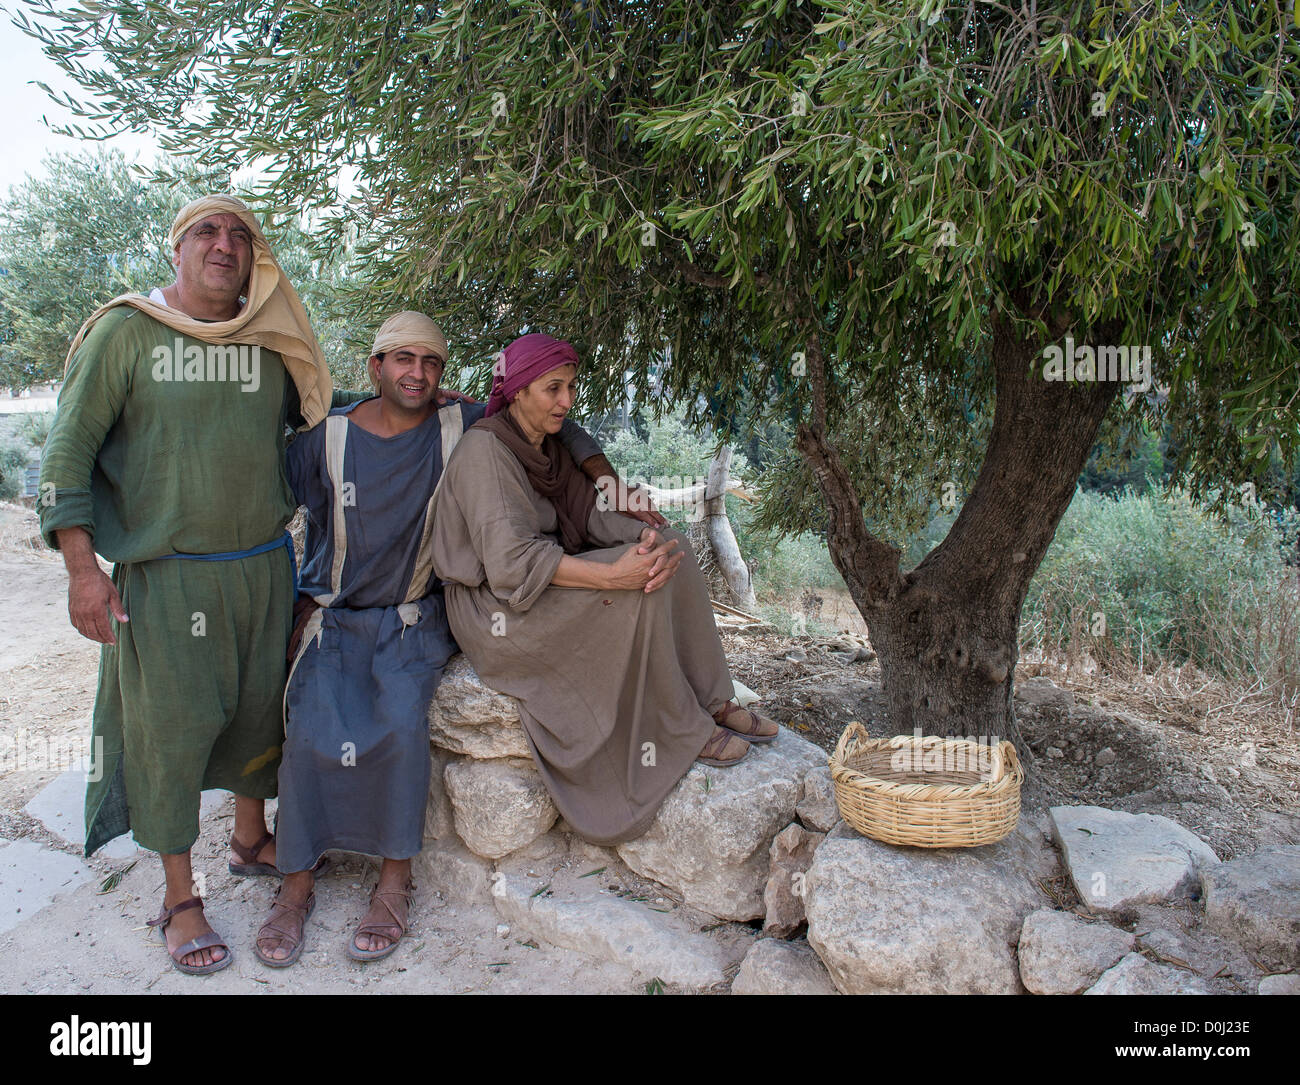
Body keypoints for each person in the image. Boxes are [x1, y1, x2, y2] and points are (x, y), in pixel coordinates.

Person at [256, 311, 655, 965]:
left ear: (442, 375)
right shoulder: (324, 441)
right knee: (307, 730)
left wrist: (609, 482)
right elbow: (267, 499)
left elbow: (557, 422)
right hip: (339, 617)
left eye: (430, 362)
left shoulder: (460, 425)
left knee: (402, 723)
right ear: (375, 367)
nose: (416, 373)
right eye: (402, 359)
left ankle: (393, 884)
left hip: (416, 617)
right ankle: (294, 888)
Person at [39, 195, 348, 976]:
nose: (225, 244)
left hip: (260, 566)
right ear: (175, 250)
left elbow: (313, 425)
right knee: (170, 736)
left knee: (256, 718)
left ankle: (249, 839)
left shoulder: (268, 345)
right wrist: (83, 570)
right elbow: (66, 453)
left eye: (241, 235)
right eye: (207, 231)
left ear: (255, 261)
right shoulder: (127, 332)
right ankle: (180, 898)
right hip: (166, 576)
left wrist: (417, 405)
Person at [430, 334, 780, 848]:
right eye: (553, 388)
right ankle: (680, 729)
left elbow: (590, 510)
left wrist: (641, 539)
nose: (566, 401)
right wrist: (612, 577)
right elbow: (509, 566)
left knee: (672, 549)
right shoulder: (486, 451)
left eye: (570, 387)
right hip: (495, 607)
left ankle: (712, 699)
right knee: (629, 593)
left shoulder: (547, 444)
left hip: (540, 577)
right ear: (519, 390)